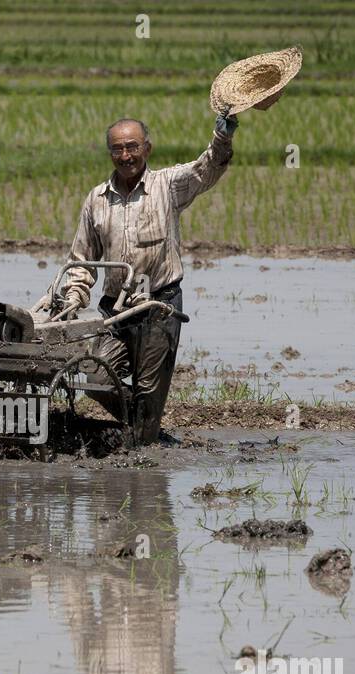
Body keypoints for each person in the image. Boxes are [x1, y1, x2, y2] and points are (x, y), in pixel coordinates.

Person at [59, 111, 240, 443]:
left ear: (147, 148)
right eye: (117, 149)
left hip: (159, 305)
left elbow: (207, 169)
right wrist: (73, 297)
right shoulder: (97, 200)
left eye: (132, 147)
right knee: (93, 374)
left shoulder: (167, 186)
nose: (125, 155)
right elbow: (82, 260)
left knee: (148, 394)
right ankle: (144, 425)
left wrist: (222, 139)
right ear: (110, 153)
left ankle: (143, 441)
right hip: (116, 310)